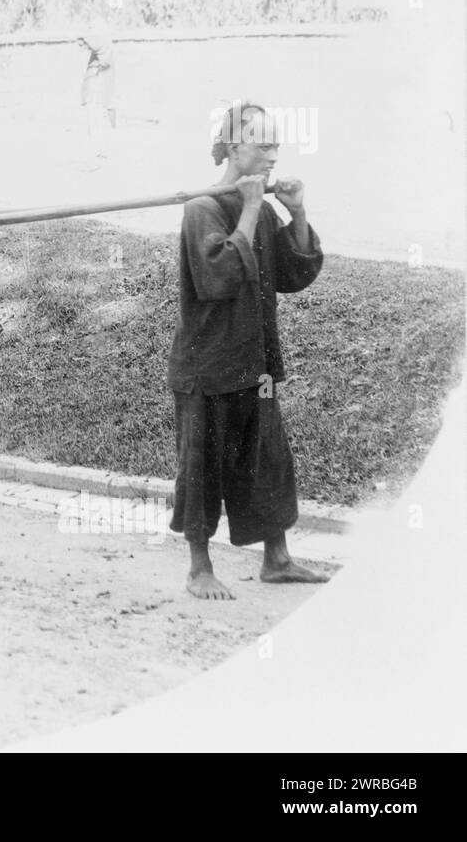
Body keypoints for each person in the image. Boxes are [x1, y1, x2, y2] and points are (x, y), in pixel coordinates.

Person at [168, 101, 331, 599]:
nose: (274, 154)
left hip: (256, 365)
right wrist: (256, 206)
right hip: (208, 367)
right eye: (264, 144)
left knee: (268, 459)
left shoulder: (256, 209)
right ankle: (199, 568)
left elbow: (292, 272)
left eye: (278, 144)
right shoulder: (203, 209)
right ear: (234, 148)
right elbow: (218, 278)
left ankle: (276, 559)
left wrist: (296, 212)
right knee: (202, 466)